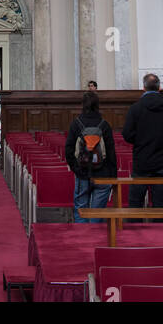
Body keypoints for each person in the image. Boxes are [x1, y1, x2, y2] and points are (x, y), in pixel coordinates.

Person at [123, 73, 163, 214]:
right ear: (159, 88)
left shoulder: (135, 109)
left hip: (141, 161)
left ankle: (134, 233)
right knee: (159, 204)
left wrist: (140, 140)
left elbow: (127, 134)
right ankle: (159, 233)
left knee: (135, 204)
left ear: (143, 88)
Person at [65, 89, 117, 224]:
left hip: (82, 173)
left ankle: (82, 240)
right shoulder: (104, 125)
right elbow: (111, 152)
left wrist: (76, 169)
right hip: (103, 173)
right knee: (97, 213)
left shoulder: (76, 124)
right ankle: (95, 239)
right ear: (98, 105)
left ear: (83, 105)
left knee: (81, 209)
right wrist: (113, 176)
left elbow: (69, 150)